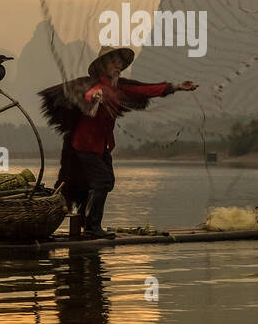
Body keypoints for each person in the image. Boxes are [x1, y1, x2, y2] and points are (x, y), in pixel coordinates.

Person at [44, 47, 196, 238]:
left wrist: (176, 87)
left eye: (120, 63)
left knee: (105, 182)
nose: (119, 65)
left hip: (102, 146)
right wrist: (94, 97)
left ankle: (87, 223)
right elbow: (89, 94)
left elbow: (144, 90)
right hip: (85, 146)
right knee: (102, 182)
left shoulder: (119, 87)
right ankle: (92, 227)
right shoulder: (95, 85)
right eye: (114, 62)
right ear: (103, 66)